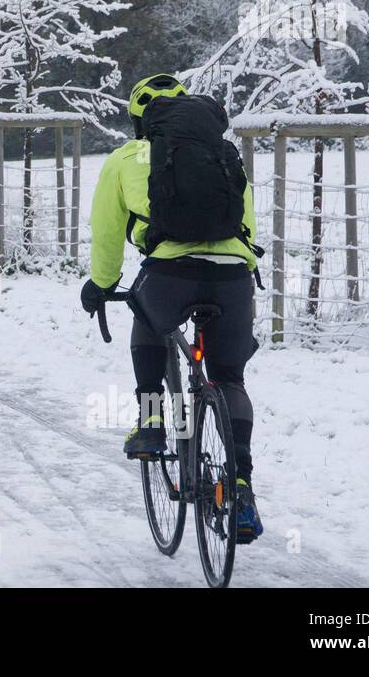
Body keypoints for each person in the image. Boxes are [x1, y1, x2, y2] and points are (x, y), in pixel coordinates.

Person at [80, 73, 266, 544]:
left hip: (170, 272)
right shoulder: (222, 153)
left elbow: (106, 230)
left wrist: (101, 284)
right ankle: (240, 483)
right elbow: (246, 223)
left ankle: (151, 420)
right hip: (231, 277)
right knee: (229, 379)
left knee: (150, 321)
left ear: (142, 120)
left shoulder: (126, 158)